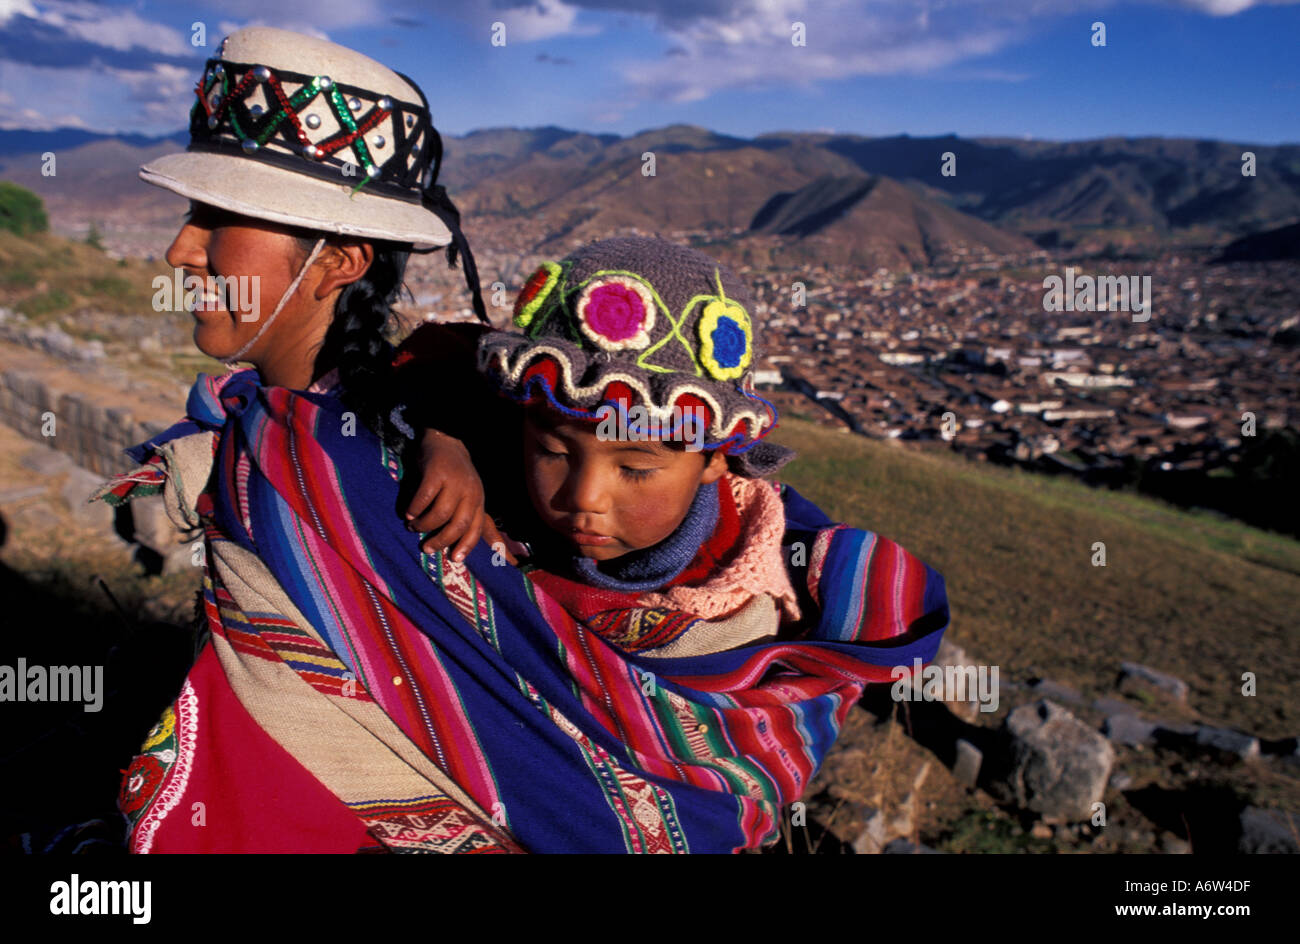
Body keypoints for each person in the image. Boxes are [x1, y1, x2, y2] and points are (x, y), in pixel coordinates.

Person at [99, 27, 950, 854]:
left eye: (219, 219)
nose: (181, 248)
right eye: (193, 215)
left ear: (341, 259)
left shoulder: (338, 467)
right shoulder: (299, 440)